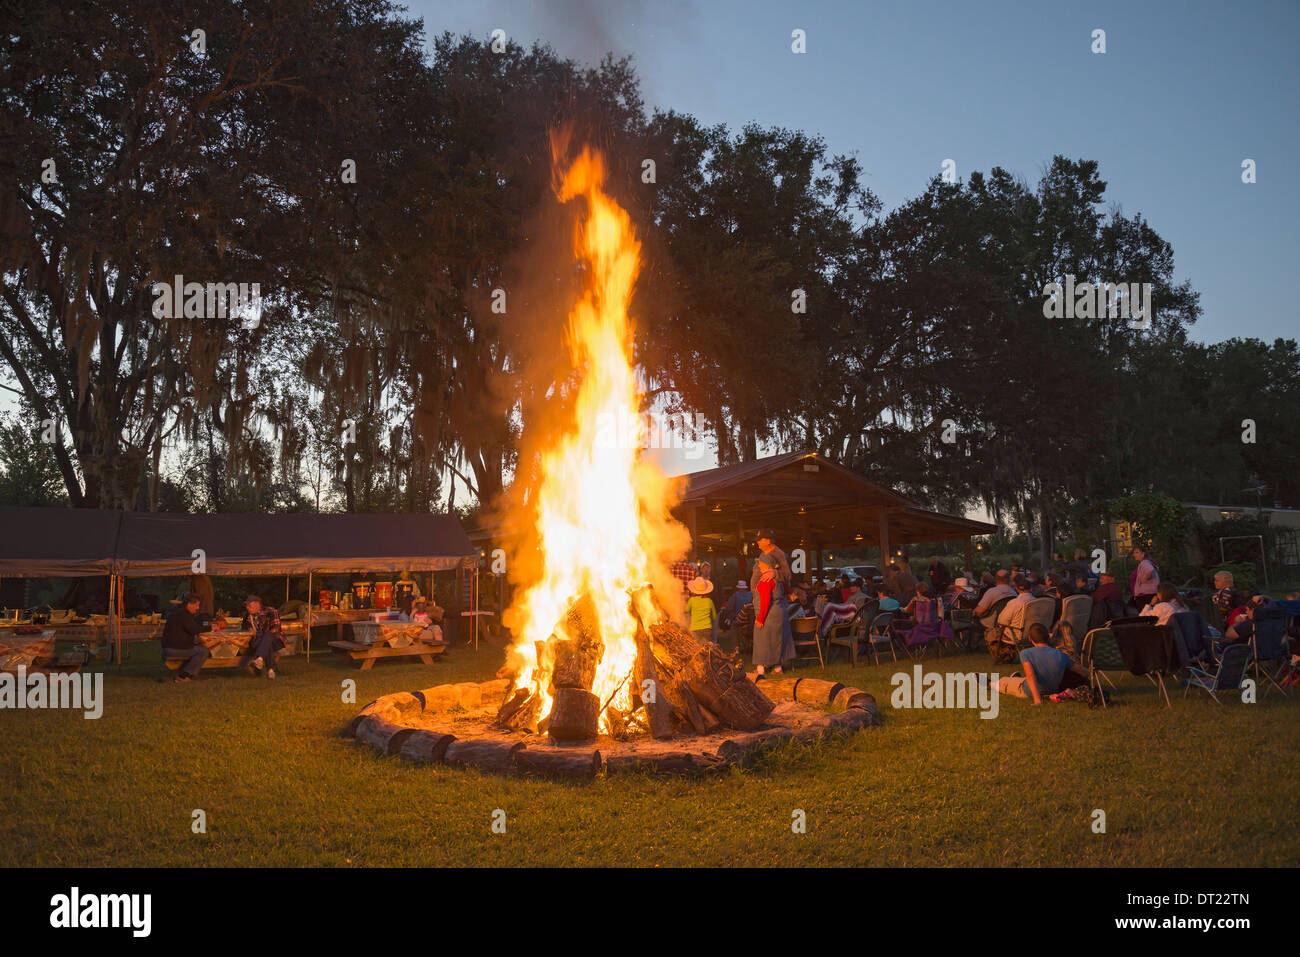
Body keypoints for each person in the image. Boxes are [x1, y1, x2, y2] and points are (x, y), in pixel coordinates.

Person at [990, 623, 1092, 704]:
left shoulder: (1026, 653)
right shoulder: (1060, 655)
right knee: (1022, 680)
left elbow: (1030, 676)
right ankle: (1015, 678)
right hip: (1053, 690)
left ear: (1030, 639)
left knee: (1004, 681)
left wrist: (1037, 699)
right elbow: (1084, 673)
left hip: (1031, 690)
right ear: (1048, 637)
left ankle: (989, 683)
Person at [749, 529, 794, 676]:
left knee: (765, 635)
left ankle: (765, 666)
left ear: (768, 540)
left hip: (768, 602)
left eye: (760, 539)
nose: (757, 542)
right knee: (772, 636)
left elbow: (787, 576)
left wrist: (775, 573)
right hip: (762, 599)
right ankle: (776, 666)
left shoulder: (778, 555)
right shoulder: (764, 555)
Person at [161, 592, 209, 682]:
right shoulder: (184, 614)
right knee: (203, 651)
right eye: (197, 605)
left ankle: (183, 672)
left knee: (198, 648)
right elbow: (194, 629)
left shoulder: (178, 611)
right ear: (190, 604)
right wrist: (210, 627)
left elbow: (193, 626)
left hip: (169, 647)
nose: (198, 608)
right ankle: (185, 675)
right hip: (174, 649)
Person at [239, 595, 284, 679]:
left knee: (267, 636)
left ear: (257, 605)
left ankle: (259, 659)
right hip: (258, 641)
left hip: (275, 639)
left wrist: (264, 635)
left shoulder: (271, 611)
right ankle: (270, 670)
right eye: (246, 606)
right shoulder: (247, 615)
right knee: (267, 645)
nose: (247, 608)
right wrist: (249, 630)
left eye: (249, 606)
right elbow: (244, 628)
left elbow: (276, 628)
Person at [685, 577, 717, 644]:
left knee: (696, 649)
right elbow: (714, 617)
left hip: (695, 628)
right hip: (707, 628)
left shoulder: (692, 600)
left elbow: (686, 610)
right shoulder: (709, 601)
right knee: (706, 648)